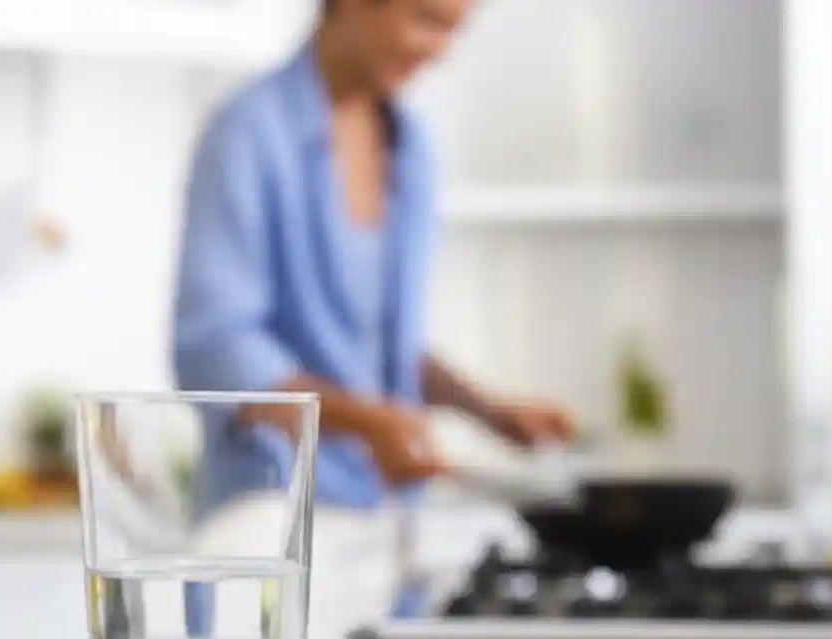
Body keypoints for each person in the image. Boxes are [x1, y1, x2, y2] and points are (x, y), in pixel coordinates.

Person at [173, 0, 573, 514]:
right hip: (271, 526)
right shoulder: (247, 135)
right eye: (427, 21)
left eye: (455, 32)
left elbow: (387, 350)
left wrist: (490, 413)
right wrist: (368, 426)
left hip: (391, 523)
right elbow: (218, 352)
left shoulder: (413, 151)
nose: (441, 52)